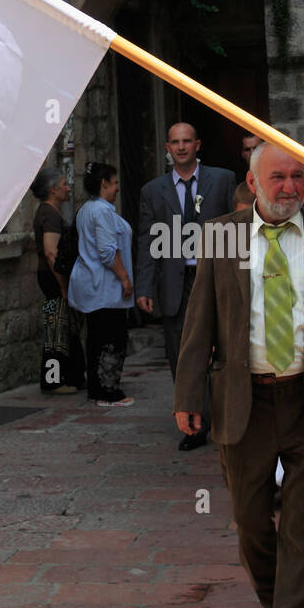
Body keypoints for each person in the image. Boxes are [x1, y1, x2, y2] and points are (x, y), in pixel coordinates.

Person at [174, 142, 304, 608]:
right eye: (278, 178)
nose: (290, 188)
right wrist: (187, 396)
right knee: (252, 523)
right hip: (243, 399)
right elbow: (199, 316)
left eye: (298, 177)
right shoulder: (222, 233)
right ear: (253, 183)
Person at [135, 123, 236, 450]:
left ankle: (228, 417)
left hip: (216, 278)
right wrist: (144, 287)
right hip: (174, 285)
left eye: (187, 141)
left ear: (198, 144)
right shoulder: (153, 191)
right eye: (175, 142)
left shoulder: (222, 180)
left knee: (223, 349)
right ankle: (195, 424)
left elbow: (237, 230)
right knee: (181, 355)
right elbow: (148, 240)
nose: (181, 147)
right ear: (167, 147)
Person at [68, 161, 135, 406]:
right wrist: (125, 279)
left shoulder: (87, 209)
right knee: (112, 339)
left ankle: (97, 389)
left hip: (93, 286)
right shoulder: (102, 211)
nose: (117, 187)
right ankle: (108, 390)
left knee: (96, 339)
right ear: (104, 183)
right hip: (106, 287)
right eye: (115, 183)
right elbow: (108, 251)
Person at [31, 168, 84, 395]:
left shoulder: (49, 212)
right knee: (56, 328)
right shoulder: (50, 215)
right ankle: (54, 381)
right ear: (53, 189)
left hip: (53, 277)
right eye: (64, 183)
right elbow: (51, 252)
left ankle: (70, 376)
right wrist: (63, 286)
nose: (68, 187)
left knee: (62, 327)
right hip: (53, 278)